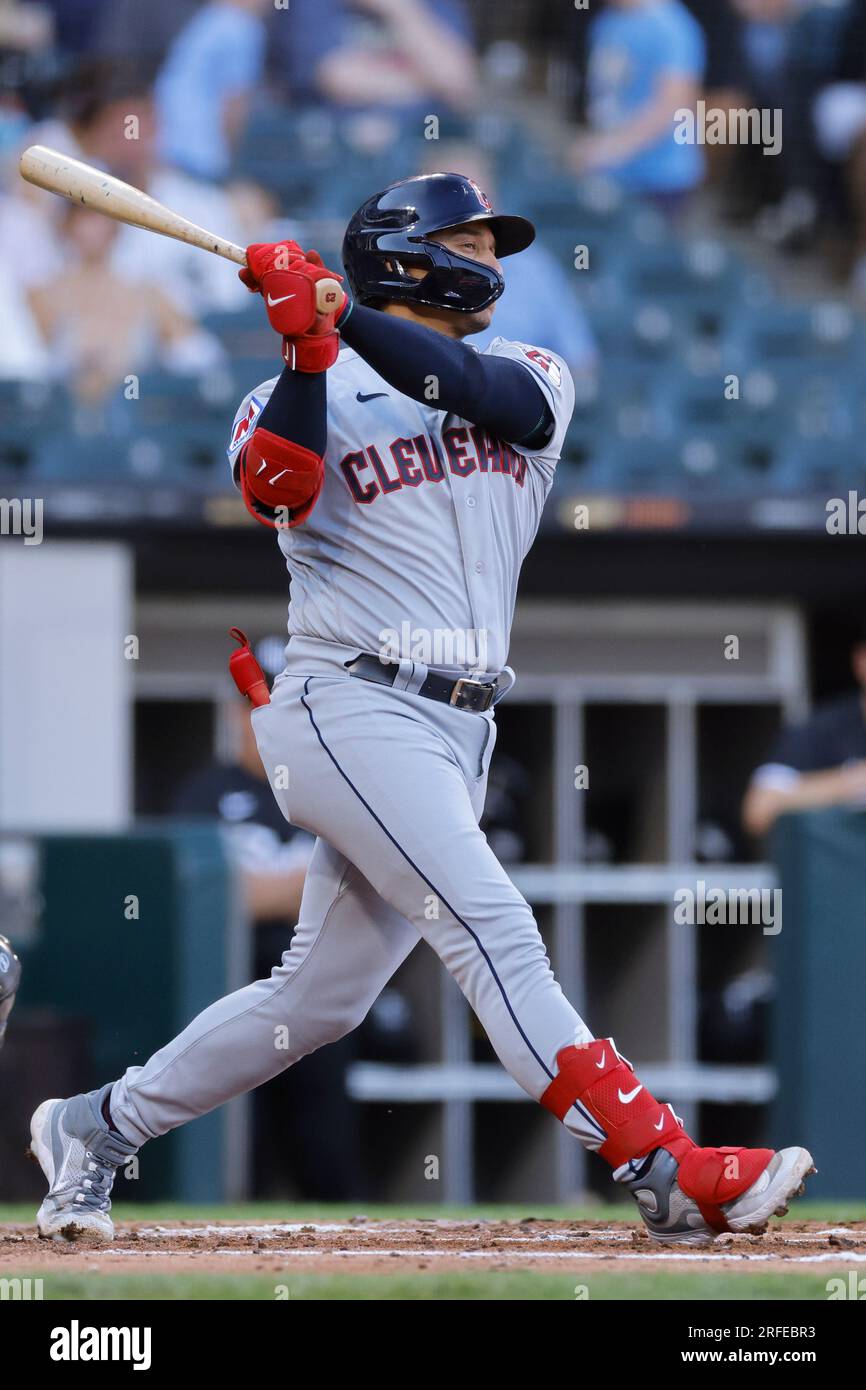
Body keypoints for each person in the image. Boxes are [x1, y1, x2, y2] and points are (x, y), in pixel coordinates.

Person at [29, 171, 813, 1247]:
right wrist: (308, 352)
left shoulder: (529, 372)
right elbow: (275, 491)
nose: (491, 265)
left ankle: (95, 1125)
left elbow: (473, 393)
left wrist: (337, 315)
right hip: (344, 701)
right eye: (472, 244)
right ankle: (661, 1165)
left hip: (460, 725)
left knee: (316, 1003)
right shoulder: (285, 395)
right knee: (493, 929)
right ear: (406, 253)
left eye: (492, 249)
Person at [172, 680, 365, 1199]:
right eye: (255, 707)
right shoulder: (207, 793)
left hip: (317, 988)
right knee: (237, 1149)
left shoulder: (328, 790)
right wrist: (295, 888)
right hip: (231, 988)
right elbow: (202, 898)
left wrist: (267, 892)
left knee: (325, 1150)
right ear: (236, 715)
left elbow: (363, 885)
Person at [27, 204, 222, 404]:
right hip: (62, 417)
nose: (93, 228)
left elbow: (199, 356)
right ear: (67, 225)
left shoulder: (148, 294)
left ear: (116, 226)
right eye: (83, 217)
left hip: (139, 413)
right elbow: (28, 369)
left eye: (100, 217)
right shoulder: (44, 296)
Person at [572, 0, 707, 208]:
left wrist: (608, 149)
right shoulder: (606, 20)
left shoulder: (671, 27)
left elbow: (672, 105)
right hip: (612, 175)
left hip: (659, 180)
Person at [742, 624, 866, 838]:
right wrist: (853, 782)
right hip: (841, 867)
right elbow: (759, 810)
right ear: (861, 660)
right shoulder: (824, 728)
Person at [154, 0, 271, 182]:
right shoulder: (242, 26)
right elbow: (234, 103)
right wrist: (230, 164)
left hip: (164, 142)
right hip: (198, 154)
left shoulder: (209, 16)